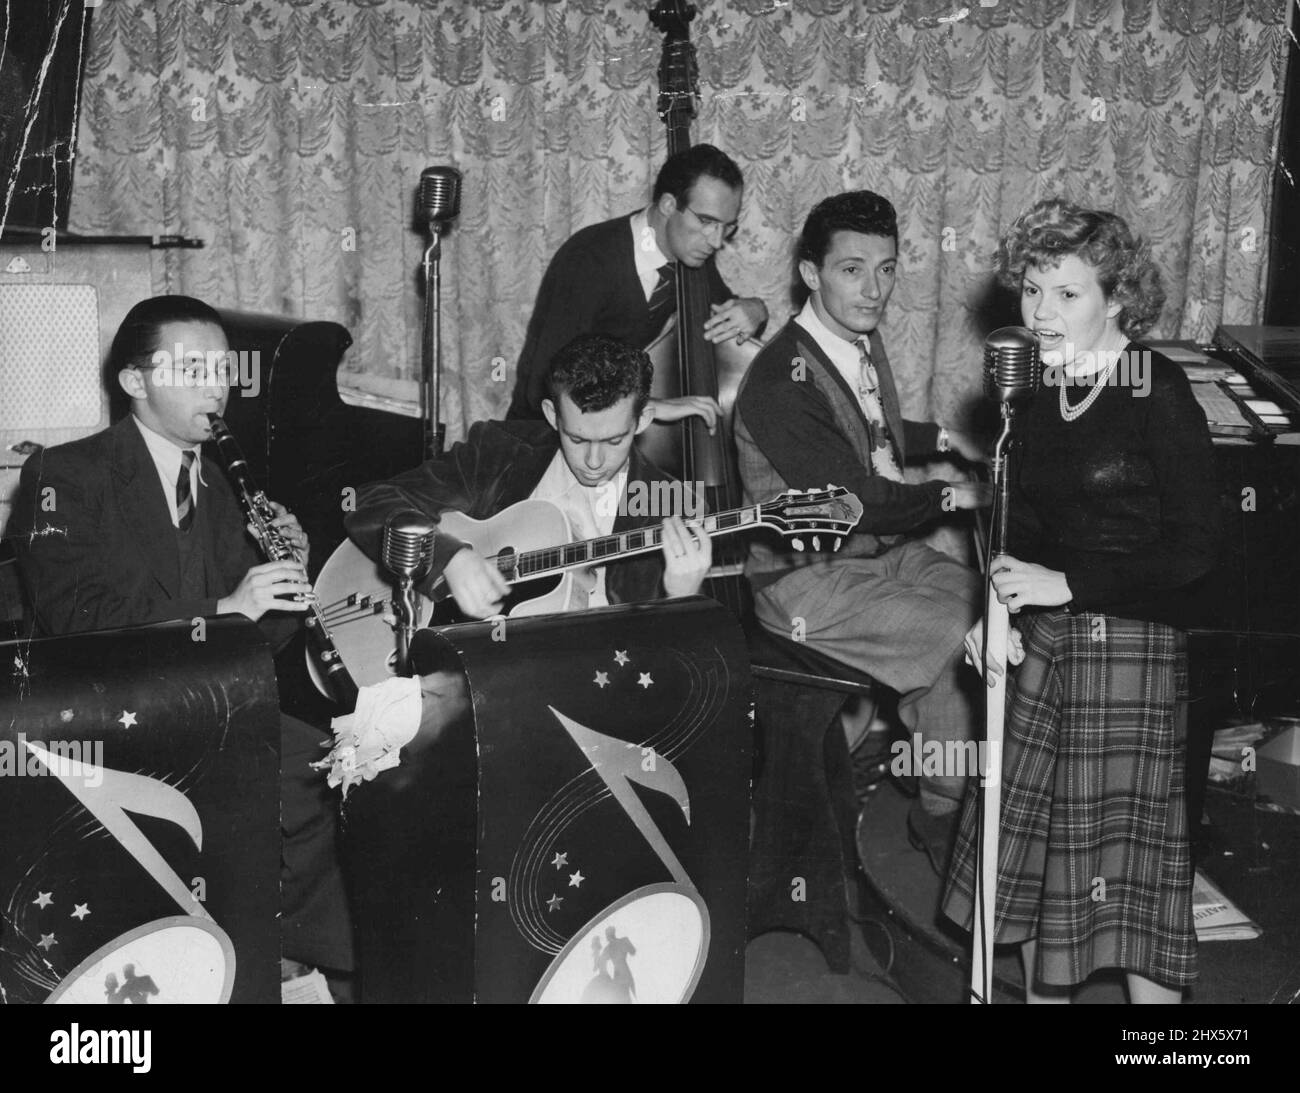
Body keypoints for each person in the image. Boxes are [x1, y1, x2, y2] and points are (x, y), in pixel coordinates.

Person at [11, 295, 355, 984]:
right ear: (134, 381)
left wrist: (287, 578)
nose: (216, 385)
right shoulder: (64, 477)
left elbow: (264, 640)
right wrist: (229, 603)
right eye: (192, 367)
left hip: (214, 708)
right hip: (107, 717)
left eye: (223, 368)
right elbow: (77, 619)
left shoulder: (225, 483)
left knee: (332, 769)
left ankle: (297, 968)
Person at [942, 199, 1223, 1004]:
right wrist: (994, 609)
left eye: (1067, 294)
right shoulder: (1032, 387)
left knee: (1134, 882)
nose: (1041, 313)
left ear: (1117, 296)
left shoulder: (1155, 389)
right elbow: (1017, 526)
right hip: (1050, 641)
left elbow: (1200, 551)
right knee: (1039, 874)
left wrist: (1072, 585)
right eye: (1032, 290)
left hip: (1132, 648)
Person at [733, 190, 990, 871]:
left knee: (996, 610)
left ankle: (955, 779)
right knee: (957, 634)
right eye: (852, 269)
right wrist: (956, 493)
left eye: (885, 268)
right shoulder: (780, 380)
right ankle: (941, 814)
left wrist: (945, 435)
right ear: (811, 274)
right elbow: (859, 499)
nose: (873, 289)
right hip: (802, 581)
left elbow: (864, 432)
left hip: (879, 556)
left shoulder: (855, 338)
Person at [347, 333, 712, 620]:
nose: (594, 460)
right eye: (577, 438)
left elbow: (673, 668)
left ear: (643, 420)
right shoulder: (500, 450)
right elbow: (371, 503)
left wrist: (683, 598)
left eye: (614, 440)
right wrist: (447, 558)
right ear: (553, 416)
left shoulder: (675, 503)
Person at [506, 143, 767, 427]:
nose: (717, 241)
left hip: (617, 433)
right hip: (545, 437)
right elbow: (548, 383)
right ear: (668, 205)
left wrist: (755, 310)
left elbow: (727, 329)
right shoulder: (589, 258)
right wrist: (647, 406)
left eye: (727, 227)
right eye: (707, 221)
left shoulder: (694, 256)